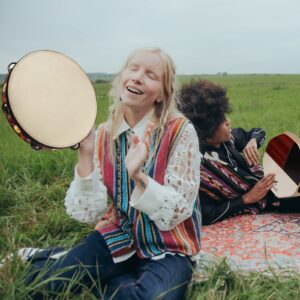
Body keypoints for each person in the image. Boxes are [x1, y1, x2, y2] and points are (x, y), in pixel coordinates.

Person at [24, 48, 202, 299]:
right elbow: (91, 213)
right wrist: (85, 154)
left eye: (150, 75)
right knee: (43, 285)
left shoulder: (180, 131)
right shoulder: (105, 134)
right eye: (133, 68)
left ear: (162, 94)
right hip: (116, 237)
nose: (137, 77)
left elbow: (178, 209)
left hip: (169, 247)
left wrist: (138, 175)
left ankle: (114, 281)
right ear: (121, 78)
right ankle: (58, 261)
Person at [179, 79, 279, 225]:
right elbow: (206, 215)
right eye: (221, 119)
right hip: (263, 201)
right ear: (207, 130)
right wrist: (247, 198)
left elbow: (259, 132)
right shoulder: (199, 167)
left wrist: (253, 142)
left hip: (270, 190)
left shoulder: (228, 140)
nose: (228, 121)